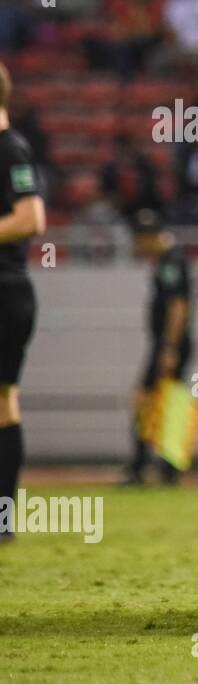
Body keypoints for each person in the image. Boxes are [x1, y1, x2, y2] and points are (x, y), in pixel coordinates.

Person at [0, 61, 46, 539]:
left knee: (4, 402)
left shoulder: (10, 148)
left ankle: (4, 519)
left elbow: (31, 217)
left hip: (6, 289)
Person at [125, 211, 193, 486]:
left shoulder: (172, 261)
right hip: (167, 344)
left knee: (149, 401)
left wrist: (169, 348)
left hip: (168, 344)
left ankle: (145, 466)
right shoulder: (169, 259)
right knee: (169, 403)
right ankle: (164, 467)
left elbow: (179, 306)